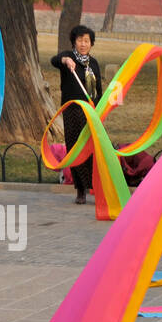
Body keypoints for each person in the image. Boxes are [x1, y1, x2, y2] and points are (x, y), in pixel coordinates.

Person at [50, 24, 103, 205]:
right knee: (76, 148)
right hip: (72, 111)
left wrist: (99, 108)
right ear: (74, 42)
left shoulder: (94, 63)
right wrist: (65, 60)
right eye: (80, 40)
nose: (83, 44)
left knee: (91, 149)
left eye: (86, 40)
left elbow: (99, 90)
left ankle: (94, 186)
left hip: (90, 112)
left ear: (91, 43)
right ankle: (80, 189)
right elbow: (54, 60)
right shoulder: (69, 58)